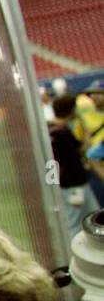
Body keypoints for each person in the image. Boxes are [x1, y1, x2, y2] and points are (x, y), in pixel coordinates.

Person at [49, 93, 99, 240]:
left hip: (67, 183)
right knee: (76, 224)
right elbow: (82, 149)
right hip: (74, 184)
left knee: (92, 217)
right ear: (71, 111)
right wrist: (85, 131)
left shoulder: (51, 129)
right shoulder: (62, 132)